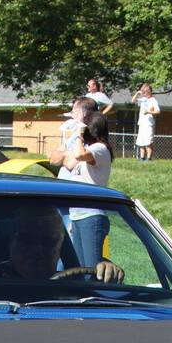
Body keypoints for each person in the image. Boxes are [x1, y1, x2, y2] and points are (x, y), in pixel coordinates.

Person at [6, 204, 123, 283]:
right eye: (28, 240)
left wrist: (107, 274)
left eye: (48, 242)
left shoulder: (72, 286)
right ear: (11, 242)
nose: (37, 249)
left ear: (60, 247)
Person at [55, 113, 114, 267]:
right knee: (80, 269)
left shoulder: (100, 149)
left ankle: (96, 292)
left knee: (91, 268)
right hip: (77, 216)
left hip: (92, 215)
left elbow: (79, 154)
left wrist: (79, 137)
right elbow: (69, 161)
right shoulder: (92, 151)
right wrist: (73, 216)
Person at [134, 83, 160, 161]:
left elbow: (158, 111)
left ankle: (148, 158)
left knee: (148, 142)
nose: (144, 93)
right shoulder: (143, 99)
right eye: (143, 92)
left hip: (149, 123)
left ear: (150, 91)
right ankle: (141, 158)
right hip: (142, 123)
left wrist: (149, 112)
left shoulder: (153, 100)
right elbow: (133, 101)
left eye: (146, 92)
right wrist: (137, 93)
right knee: (141, 142)